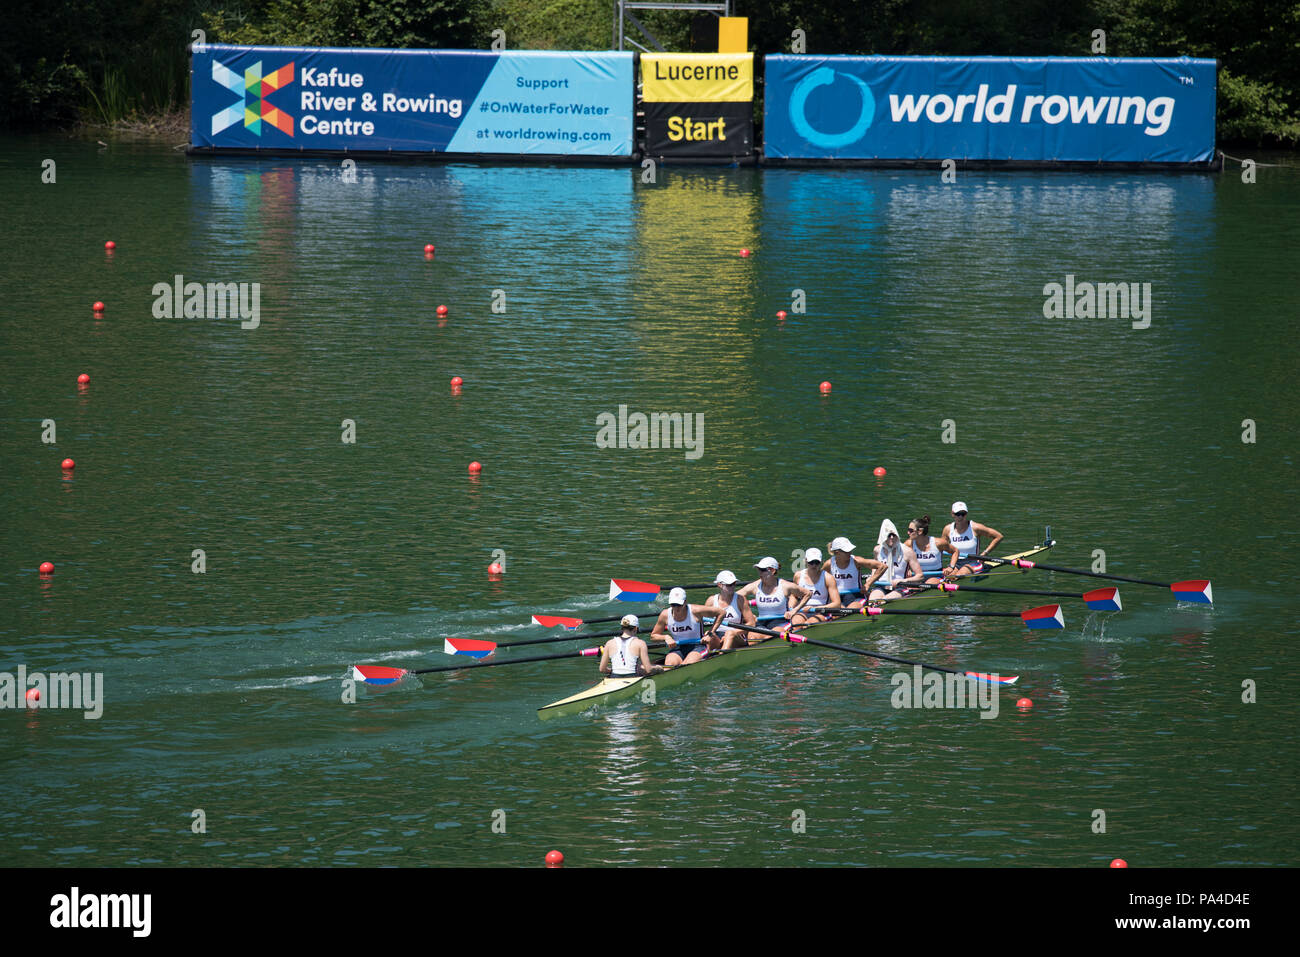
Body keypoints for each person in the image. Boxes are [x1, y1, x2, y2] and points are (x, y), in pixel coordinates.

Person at [739, 557, 808, 632]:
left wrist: (794, 610)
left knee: (774, 632)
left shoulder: (785, 586)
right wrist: (747, 615)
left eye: (762, 570)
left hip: (781, 622)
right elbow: (736, 596)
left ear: (772, 571)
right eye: (759, 570)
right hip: (761, 622)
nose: (760, 573)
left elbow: (808, 593)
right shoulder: (755, 586)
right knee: (752, 636)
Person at [651, 587, 712, 667]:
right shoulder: (665, 614)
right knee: (669, 664)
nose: (676, 608)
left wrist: (710, 633)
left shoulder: (696, 610)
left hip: (698, 646)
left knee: (686, 665)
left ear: (685, 602)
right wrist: (666, 637)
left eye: (679, 605)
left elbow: (721, 613)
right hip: (678, 647)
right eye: (673, 605)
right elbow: (653, 636)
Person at [942, 501, 1004, 577]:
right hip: (955, 563)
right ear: (952, 514)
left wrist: (984, 554)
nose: (961, 517)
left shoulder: (975, 527)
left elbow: (998, 537)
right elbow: (941, 548)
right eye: (958, 514)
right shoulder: (948, 529)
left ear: (966, 514)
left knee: (959, 575)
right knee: (948, 577)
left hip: (974, 562)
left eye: (963, 514)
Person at [867, 519, 924, 600]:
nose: (891, 538)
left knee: (884, 600)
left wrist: (904, 581)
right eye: (888, 535)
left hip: (900, 587)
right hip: (881, 586)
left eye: (893, 535)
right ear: (883, 536)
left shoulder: (907, 552)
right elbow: (875, 568)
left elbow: (920, 576)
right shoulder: (877, 550)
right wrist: (872, 577)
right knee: (872, 601)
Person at [701, 569, 757, 651]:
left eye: (734, 584)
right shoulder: (711, 601)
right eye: (729, 585)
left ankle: (721, 656)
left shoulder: (740, 600)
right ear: (719, 585)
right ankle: (709, 657)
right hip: (718, 635)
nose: (732, 587)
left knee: (729, 633)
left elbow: (751, 624)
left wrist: (734, 633)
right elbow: (702, 623)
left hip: (737, 636)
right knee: (708, 635)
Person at [824, 535, 885, 609]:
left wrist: (868, 584)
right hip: (838, 599)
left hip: (857, 597)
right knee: (839, 613)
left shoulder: (857, 561)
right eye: (846, 551)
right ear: (837, 552)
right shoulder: (829, 564)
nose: (850, 553)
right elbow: (819, 579)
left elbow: (882, 566)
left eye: (850, 550)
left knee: (849, 610)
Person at [788, 547, 842, 625]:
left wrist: (815, 608)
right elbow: (794, 596)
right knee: (796, 623)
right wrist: (791, 608)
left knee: (808, 624)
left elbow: (837, 604)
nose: (814, 565)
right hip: (802, 610)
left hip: (822, 611)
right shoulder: (798, 575)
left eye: (817, 562)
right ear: (805, 561)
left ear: (821, 562)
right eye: (811, 562)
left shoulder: (828, 578)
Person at [600, 614, 664, 678]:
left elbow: (602, 669)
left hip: (614, 677)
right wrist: (658, 668)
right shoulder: (640, 643)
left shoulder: (609, 643)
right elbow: (648, 670)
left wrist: (614, 671)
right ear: (636, 628)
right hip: (632, 677)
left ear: (622, 627)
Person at [906, 515, 950, 584]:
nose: (908, 533)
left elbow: (955, 551)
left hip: (936, 577)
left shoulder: (939, 543)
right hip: (917, 577)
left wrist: (951, 567)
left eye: (910, 530)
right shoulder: (908, 544)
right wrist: (907, 569)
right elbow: (902, 559)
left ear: (920, 531)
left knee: (928, 583)